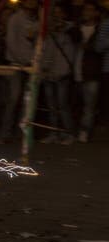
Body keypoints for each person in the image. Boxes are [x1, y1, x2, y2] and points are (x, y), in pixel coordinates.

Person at [0, 0, 39, 142]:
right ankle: (5, 132)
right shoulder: (15, 19)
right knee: (14, 98)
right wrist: (21, 60)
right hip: (16, 64)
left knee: (27, 100)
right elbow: (11, 42)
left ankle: (21, 132)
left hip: (30, 65)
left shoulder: (36, 21)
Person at [41, 5, 76, 144]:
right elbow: (45, 51)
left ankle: (69, 133)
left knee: (63, 105)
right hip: (48, 73)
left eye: (59, 12)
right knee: (52, 106)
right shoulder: (48, 31)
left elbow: (71, 53)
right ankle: (53, 133)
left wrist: (64, 71)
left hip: (62, 74)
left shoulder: (70, 30)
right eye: (54, 13)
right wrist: (44, 69)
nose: (57, 16)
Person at [74, 2, 103, 141]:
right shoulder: (77, 28)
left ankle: (84, 132)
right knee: (78, 104)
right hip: (76, 70)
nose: (87, 12)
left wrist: (89, 47)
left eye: (91, 10)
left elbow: (100, 49)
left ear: (96, 13)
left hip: (92, 72)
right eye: (85, 9)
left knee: (89, 105)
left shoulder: (100, 29)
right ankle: (79, 129)